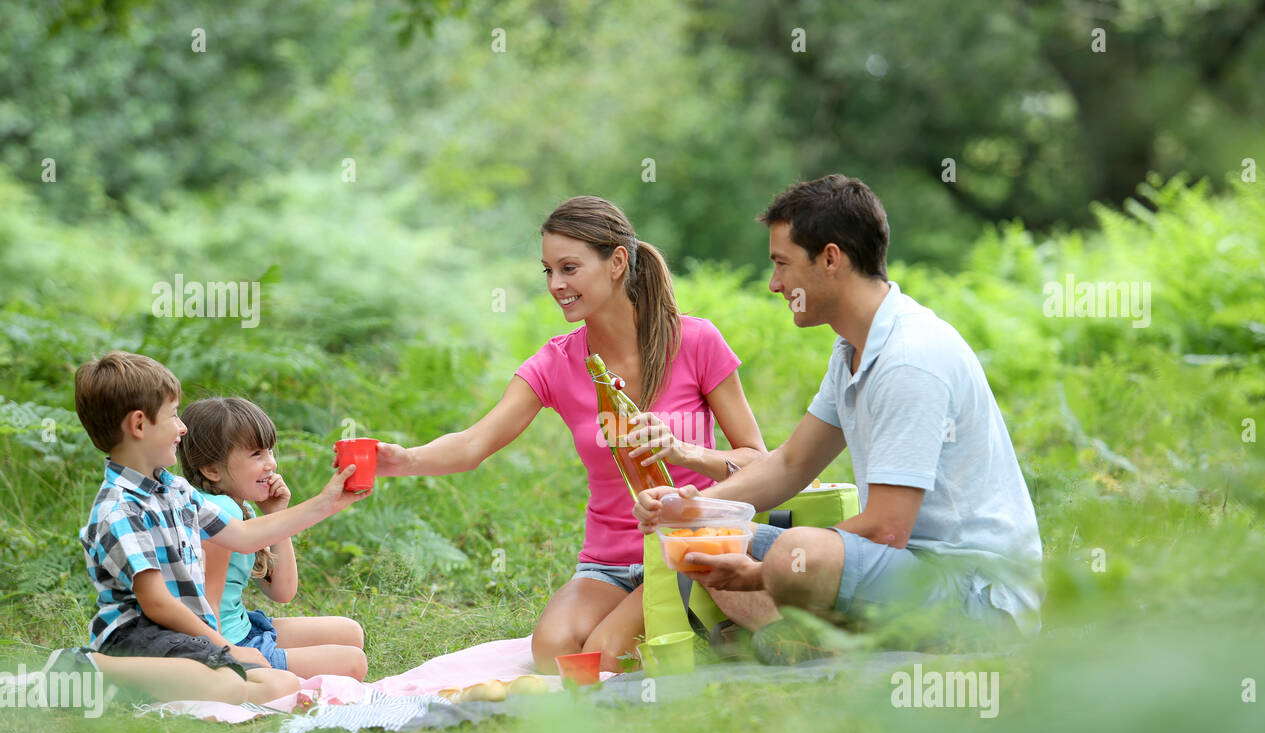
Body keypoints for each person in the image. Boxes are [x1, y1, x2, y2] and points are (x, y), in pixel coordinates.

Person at [634, 175, 1044, 646]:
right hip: (897, 573)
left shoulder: (910, 359)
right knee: (713, 540)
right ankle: (819, 641)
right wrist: (694, 509)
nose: (774, 284)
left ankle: (815, 637)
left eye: (782, 264)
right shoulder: (853, 348)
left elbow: (887, 528)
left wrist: (764, 571)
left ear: (831, 258)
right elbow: (791, 463)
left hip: (973, 598)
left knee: (796, 551)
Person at [374, 196, 767, 673]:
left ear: (617, 262)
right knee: (554, 652)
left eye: (569, 268)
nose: (556, 285)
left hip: (687, 545)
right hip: (609, 561)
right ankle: (694, 631)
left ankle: (718, 625)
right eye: (547, 271)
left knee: (604, 655)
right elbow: (476, 443)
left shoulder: (698, 341)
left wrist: (682, 449)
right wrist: (405, 460)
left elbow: (757, 461)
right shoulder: (556, 362)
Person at [69, 351, 369, 705]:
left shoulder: (174, 490)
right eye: (173, 415)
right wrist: (227, 648)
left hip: (184, 635)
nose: (182, 427)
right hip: (141, 638)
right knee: (263, 685)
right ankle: (90, 668)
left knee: (279, 686)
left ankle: (160, 681)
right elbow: (158, 604)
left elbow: (243, 537)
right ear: (138, 425)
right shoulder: (120, 508)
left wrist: (328, 501)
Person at [178, 397, 368, 681]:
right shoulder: (219, 512)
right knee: (354, 663)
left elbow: (282, 592)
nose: (271, 463)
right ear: (212, 469)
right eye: (256, 454)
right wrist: (224, 663)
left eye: (269, 451)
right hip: (225, 644)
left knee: (351, 632)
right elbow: (207, 606)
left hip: (242, 628)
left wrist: (276, 514)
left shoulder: (240, 508)